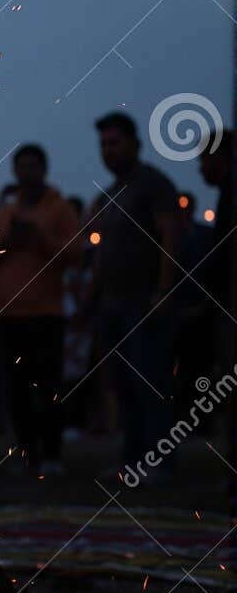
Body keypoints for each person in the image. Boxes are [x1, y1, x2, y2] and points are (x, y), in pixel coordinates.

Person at [88, 111, 181, 481]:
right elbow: (100, 250)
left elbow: (170, 236)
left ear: (135, 144)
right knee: (124, 384)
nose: (109, 151)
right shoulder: (110, 194)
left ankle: (160, 462)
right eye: (104, 145)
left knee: (150, 380)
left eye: (115, 142)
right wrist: (88, 300)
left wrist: (163, 289)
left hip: (144, 300)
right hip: (112, 302)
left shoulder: (152, 184)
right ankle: (133, 458)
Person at [0, 144, 82, 472]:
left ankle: (52, 453)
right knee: (16, 388)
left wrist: (42, 238)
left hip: (47, 313)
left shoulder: (60, 208)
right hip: (8, 314)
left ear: (44, 169)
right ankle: (27, 451)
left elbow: (76, 254)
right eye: (21, 166)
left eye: (32, 166)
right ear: (14, 171)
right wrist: (7, 242)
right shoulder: (5, 212)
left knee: (49, 386)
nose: (27, 172)